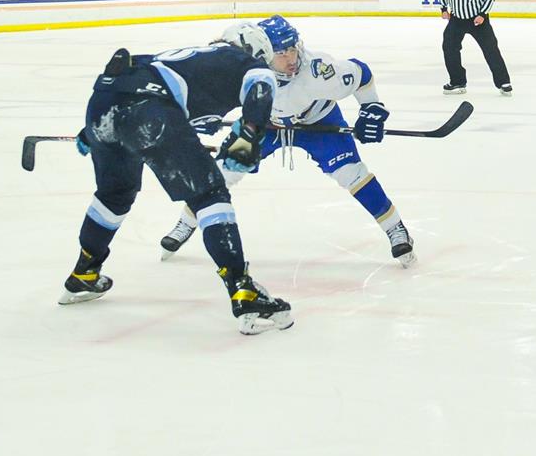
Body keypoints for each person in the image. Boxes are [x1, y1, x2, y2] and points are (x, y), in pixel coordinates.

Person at [66, 38, 291, 333]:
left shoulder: (187, 60)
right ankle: (244, 291)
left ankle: (84, 273)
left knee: (114, 194)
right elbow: (260, 82)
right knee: (209, 194)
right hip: (147, 109)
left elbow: (131, 89)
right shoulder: (240, 60)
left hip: (103, 102)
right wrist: (250, 132)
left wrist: (93, 129)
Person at [158, 18, 415, 266]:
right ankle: (187, 223)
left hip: (318, 121)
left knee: (352, 174)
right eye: (281, 53)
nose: (291, 59)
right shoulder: (245, 70)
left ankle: (396, 228)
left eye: (293, 48)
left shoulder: (319, 71)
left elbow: (361, 73)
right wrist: (204, 114)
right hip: (262, 125)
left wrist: (371, 106)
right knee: (222, 174)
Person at [436, 0, 511, 95]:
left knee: (491, 50)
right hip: (457, 19)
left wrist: (482, 14)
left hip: (477, 21)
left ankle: (504, 82)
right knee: (449, 47)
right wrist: (444, 8)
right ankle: (457, 82)